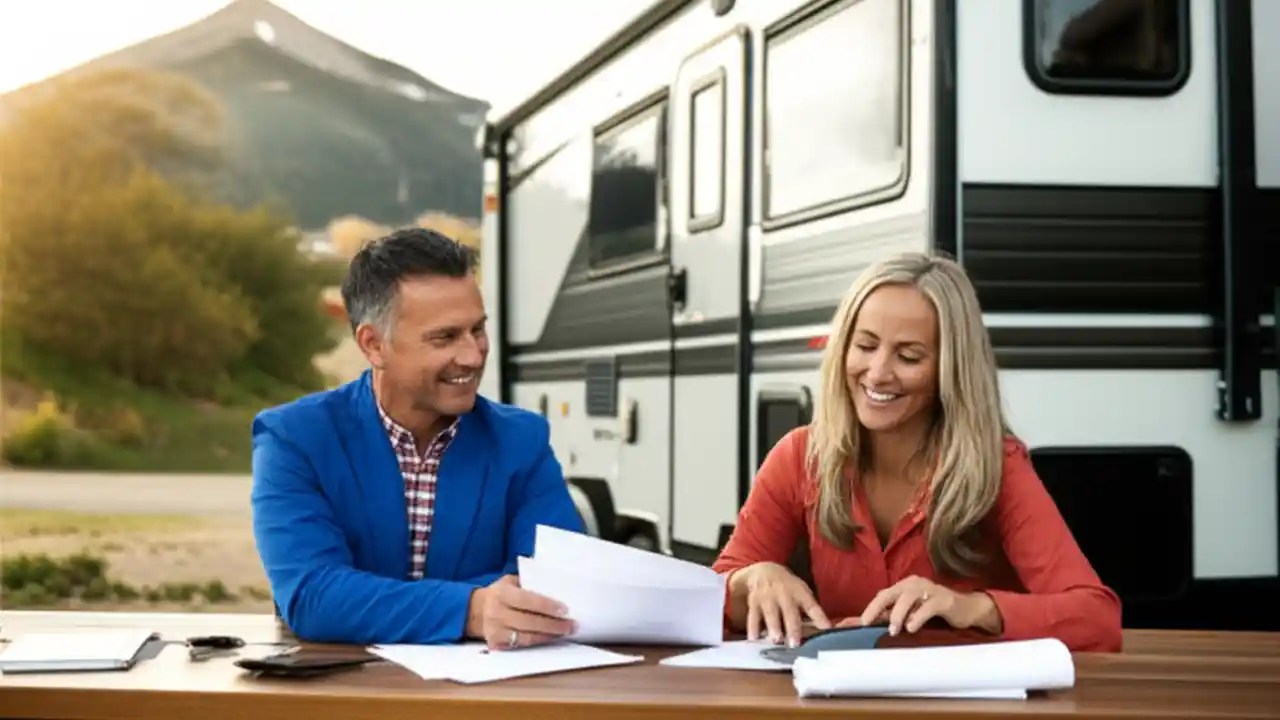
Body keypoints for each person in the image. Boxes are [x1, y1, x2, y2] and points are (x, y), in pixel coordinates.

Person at [713, 252, 1122, 653]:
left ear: (950, 370)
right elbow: (700, 605)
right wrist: (751, 580)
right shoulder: (799, 456)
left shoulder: (997, 466)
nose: (877, 373)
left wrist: (972, 607)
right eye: (865, 346)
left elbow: (1096, 618)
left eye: (909, 356)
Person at [250, 227, 584, 648]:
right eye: (445, 337)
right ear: (373, 345)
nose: (473, 355)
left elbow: (559, 584)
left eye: (477, 330)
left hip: (482, 702)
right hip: (340, 695)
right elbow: (313, 596)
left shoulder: (522, 440)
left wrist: (369, 597)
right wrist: (471, 608)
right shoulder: (293, 439)